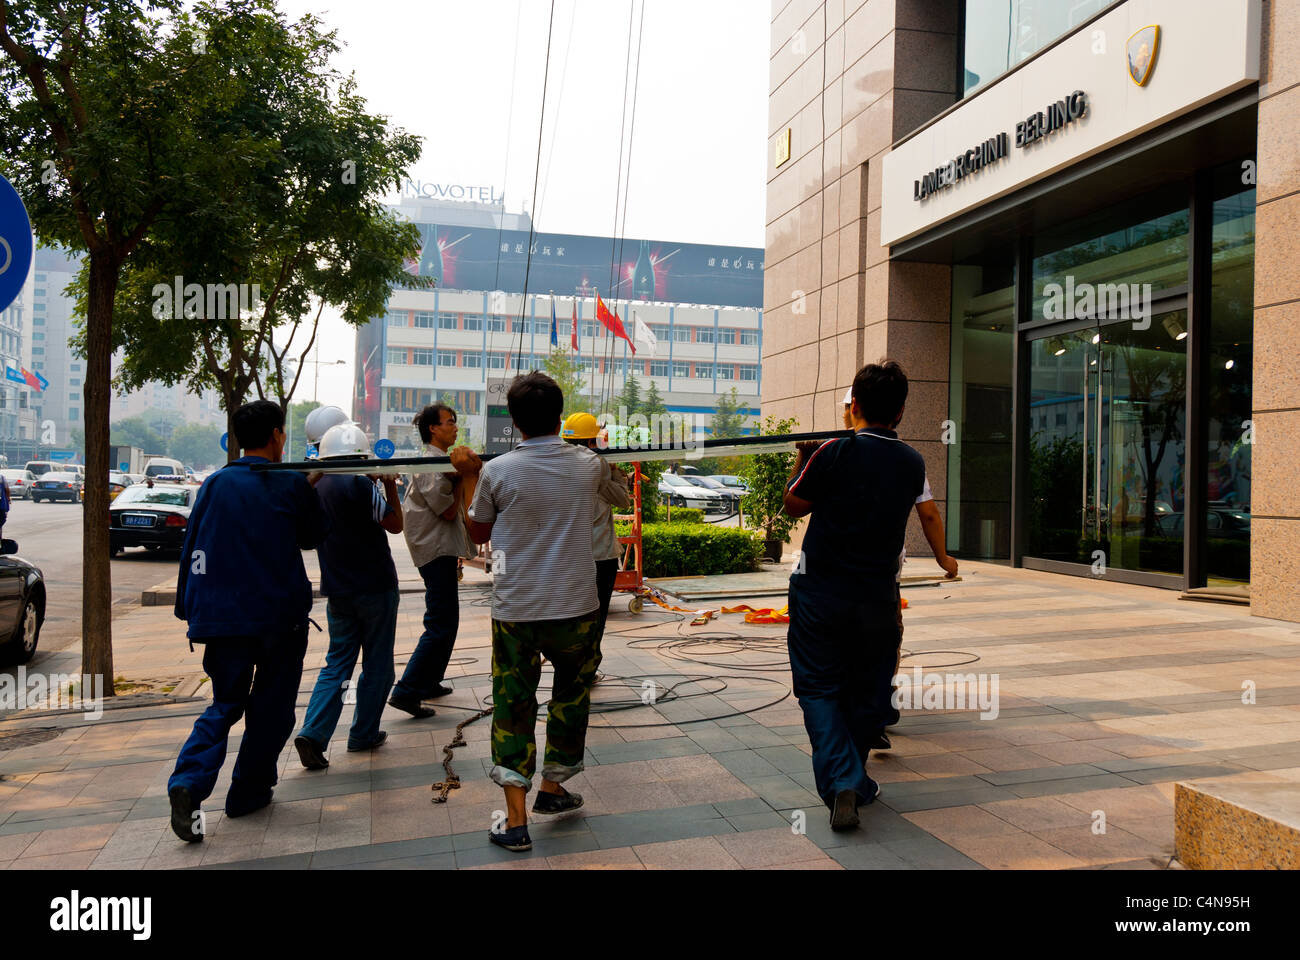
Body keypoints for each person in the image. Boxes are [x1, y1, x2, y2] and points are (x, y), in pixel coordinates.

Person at [453, 372, 604, 853]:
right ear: (560, 416)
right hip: (577, 606)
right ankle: (553, 790)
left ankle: (516, 823)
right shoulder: (588, 466)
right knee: (571, 699)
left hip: (518, 608)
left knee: (514, 704)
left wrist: (469, 475)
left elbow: (477, 534)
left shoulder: (498, 471)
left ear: (513, 422)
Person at [167, 400, 327, 842]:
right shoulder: (288, 484)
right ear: (278, 435)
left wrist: (189, 610)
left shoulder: (215, 483)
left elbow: (192, 548)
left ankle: (188, 782)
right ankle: (247, 794)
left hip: (221, 621)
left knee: (224, 704)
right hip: (278, 620)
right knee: (272, 711)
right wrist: (308, 488)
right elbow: (314, 536)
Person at [782, 360, 926, 831]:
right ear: (901, 412)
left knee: (820, 688)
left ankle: (844, 780)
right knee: (866, 692)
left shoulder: (833, 452)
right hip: (876, 598)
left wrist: (804, 458)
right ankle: (854, 779)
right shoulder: (912, 462)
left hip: (820, 593)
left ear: (854, 406)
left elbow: (794, 504)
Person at [293, 422, 405, 769]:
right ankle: (363, 733)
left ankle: (313, 733)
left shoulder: (316, 486)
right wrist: (388, 486)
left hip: (337, 589)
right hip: (375, 587)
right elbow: (394, 524)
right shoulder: (359, 483)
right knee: (377, 665)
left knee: (337, 663)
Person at [388, 404, 475, 718]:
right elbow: (448, 510)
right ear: (433, 429)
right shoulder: (430, 462)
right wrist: (463, 476)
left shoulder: (440, 460)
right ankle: (407, 690)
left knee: (445, 619)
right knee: (440, 622)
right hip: (433, 549)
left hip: (441, 548)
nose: (454, 427)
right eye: (450, 422)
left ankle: (429, 680)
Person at [561, 411, 632, 638]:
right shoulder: (598, 467)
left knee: (570, 616)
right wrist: (616, 473)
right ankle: (587, 667)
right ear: (592, 441)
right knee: (595, 619)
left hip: (566, 557)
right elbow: (622, 500)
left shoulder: (557, 466)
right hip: (599, 557)